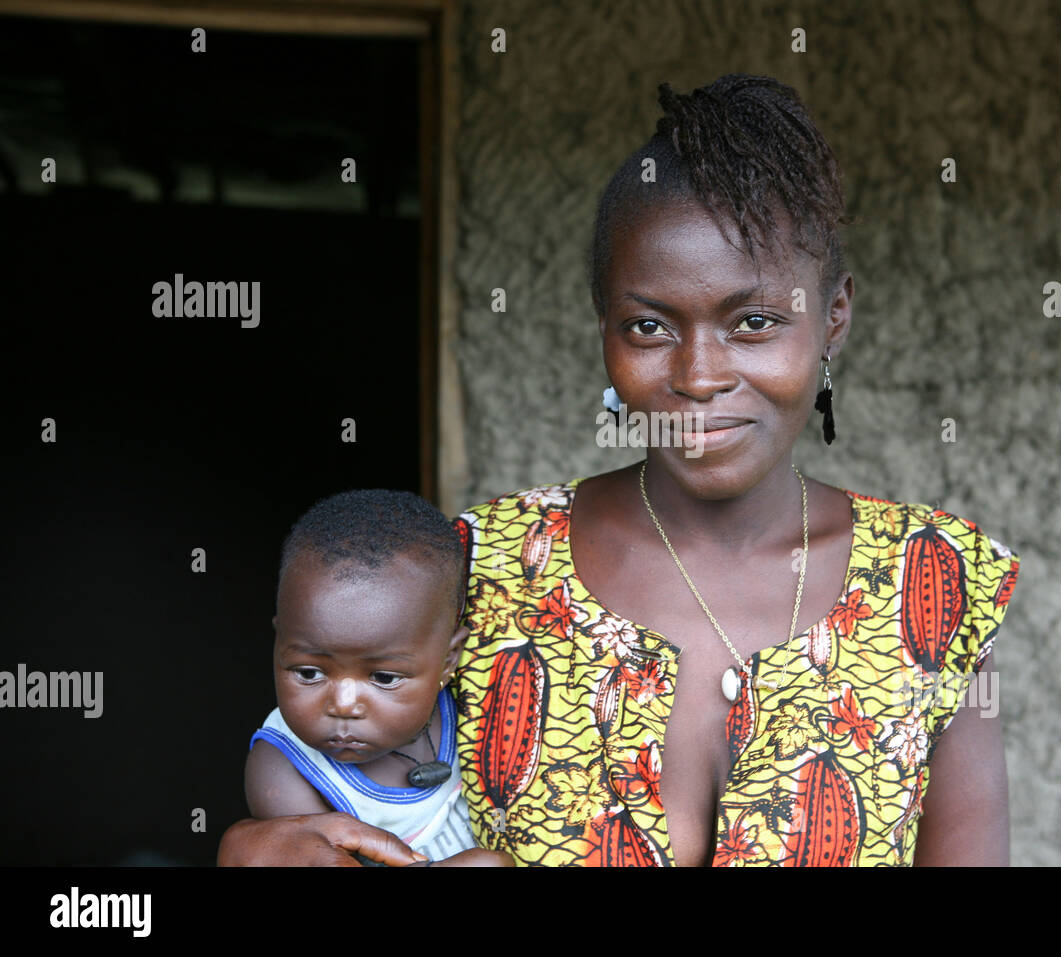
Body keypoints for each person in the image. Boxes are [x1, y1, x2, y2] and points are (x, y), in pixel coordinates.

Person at [220, 72, 1020, 867]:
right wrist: (260, 847)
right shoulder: (486, 568)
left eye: (755, 322)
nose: (700, 374)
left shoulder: (933, 583)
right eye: (648, 325)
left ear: (833, 317)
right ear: (604, 324)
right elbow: (328, 767)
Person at [243, 489, 512, 865]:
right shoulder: (283, 763)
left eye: (384, 678)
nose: (343, 704)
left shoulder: (475, 706)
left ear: (449, 661)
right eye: (309, 672)